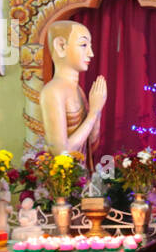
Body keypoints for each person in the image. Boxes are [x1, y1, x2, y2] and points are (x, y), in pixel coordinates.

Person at [38, 19, 107, 159]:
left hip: (81, 173)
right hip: (64, 176)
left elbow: (91, 144)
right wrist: (93, 112)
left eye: (90, 46)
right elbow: (61, 153)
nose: (91, 53)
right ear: (61, 46)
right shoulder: (53, 92)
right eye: (83, 45)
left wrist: (98, 110)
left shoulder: (78, 90)